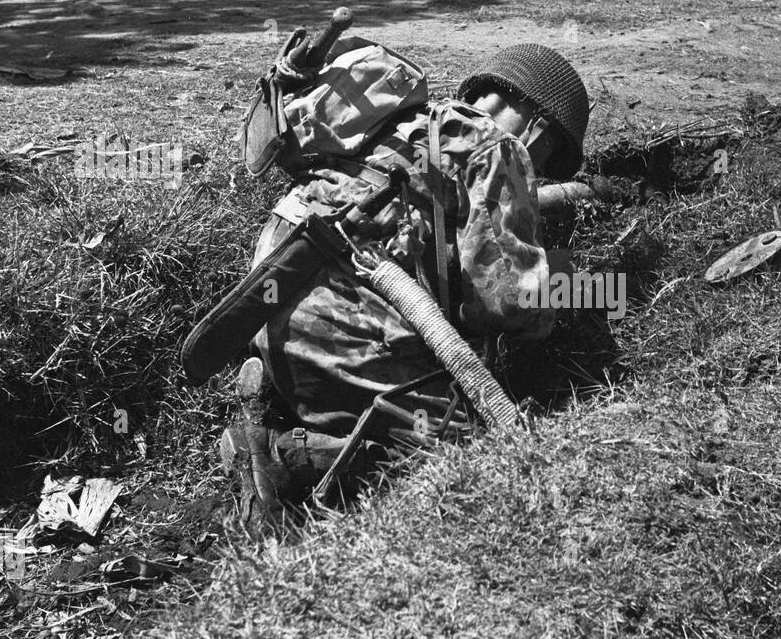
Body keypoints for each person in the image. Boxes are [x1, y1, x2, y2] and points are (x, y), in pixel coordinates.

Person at [219, 43, 590, 528]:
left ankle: (276, 399)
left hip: (264, 302)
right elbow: (507, 304)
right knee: (471, 463)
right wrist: (561, 296)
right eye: (548, 157)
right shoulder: (498, 146)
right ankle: (288, 456)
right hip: (342, 326)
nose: (537, 169)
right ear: (540, 128)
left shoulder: (393, 123)